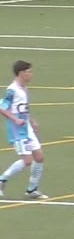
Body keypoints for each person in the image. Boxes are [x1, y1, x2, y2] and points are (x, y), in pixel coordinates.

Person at [0, 60, 48, 199]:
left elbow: (23, 109)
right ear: (21, 73)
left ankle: (32, 189)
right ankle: (2, 180)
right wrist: (15, 119)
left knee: (39, 157)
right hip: (17, 130)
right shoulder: (12, 90)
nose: (31, 75)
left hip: (26, 127)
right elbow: (2, 107)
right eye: (29, 72)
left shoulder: (25, 90)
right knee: (27, 160)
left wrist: (31, 120)